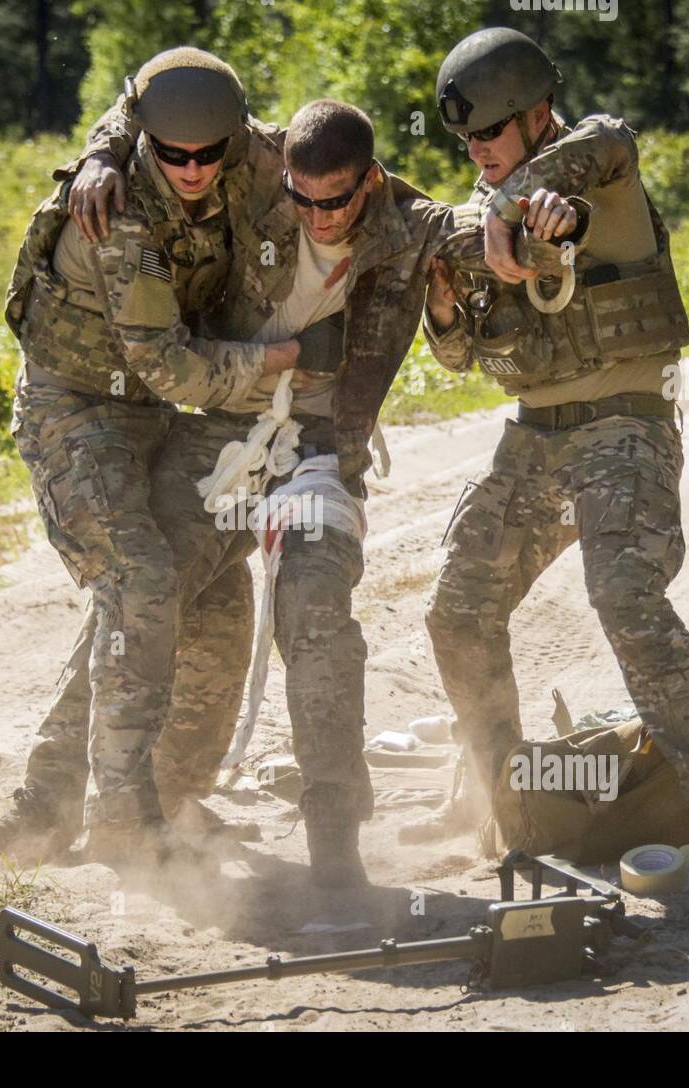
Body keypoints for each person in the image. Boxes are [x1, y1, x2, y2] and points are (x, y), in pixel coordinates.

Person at [39, 95, 490, 889]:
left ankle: (335, 843)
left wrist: (490, 270)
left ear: (371, 180)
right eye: (301, 198)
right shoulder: (256, 165)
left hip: (319, 453)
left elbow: (480, 275)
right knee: (143, 593)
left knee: (314, 617)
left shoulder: (417, 227)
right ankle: (51, 802)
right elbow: (156, 100)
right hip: (222, 432)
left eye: (336, 200)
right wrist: (102, 158)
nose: (316, 216)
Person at [0, 48, 326, 870]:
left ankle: (164, 799)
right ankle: (94, 814)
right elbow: (173, 366)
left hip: (153, 412)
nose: (191, 169)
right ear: (146, 141)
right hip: (74, 408)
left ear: (233, 138)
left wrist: (488, 226)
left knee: (209, 593)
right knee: (140, 582)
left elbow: (352, 171)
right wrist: (283, 360)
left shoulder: (248, 150)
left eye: (206, 154)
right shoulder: (116, 215)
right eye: (170, 152)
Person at [420, 27, 689, 865]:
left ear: (539, 113)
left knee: (626, 600)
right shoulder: (484, 215)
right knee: (458, 613)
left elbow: (610, 140)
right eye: (466, 140)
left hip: (624, 426)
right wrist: (444, 301)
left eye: (491, 134)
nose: (478, 152)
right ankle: (514, 819)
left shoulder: (595, 174)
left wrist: (532, 208)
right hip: (535, 440)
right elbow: (454, 354)